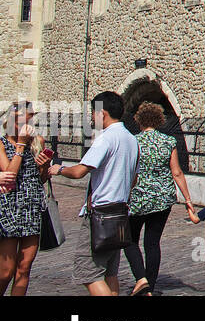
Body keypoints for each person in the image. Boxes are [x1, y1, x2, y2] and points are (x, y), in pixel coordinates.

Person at [49, 91, 140, 296]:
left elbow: (80, 171)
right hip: (120, 212)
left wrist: (59, 169)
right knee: (110, 272)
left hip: (100, 215)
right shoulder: (132, 140)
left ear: (103, 113)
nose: (91, 117)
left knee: (88, 272)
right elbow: (134, 179)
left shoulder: (105, 138)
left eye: (93, 112)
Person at [123, 102, 194, 296]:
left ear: (139, 120)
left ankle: (141, 278)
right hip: (162, 198)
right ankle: (150, 288)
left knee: (129, 240)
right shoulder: (168, 141)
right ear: (159, 120)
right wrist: (188, 199)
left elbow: (128, 171)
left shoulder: (133, 141)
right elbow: (177, 172)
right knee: (152, 243)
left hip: (137, 197)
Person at [1, 101, 53, 296]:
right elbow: (9, 175)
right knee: (6, 271)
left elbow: (39, 179)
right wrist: (21, 145)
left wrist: (44, 166)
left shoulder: (37, 141)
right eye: (18, 120)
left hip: (32, 206)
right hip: (8, 208)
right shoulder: (2, 143)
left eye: (27, 119)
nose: (22, 124)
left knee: (24, 268)